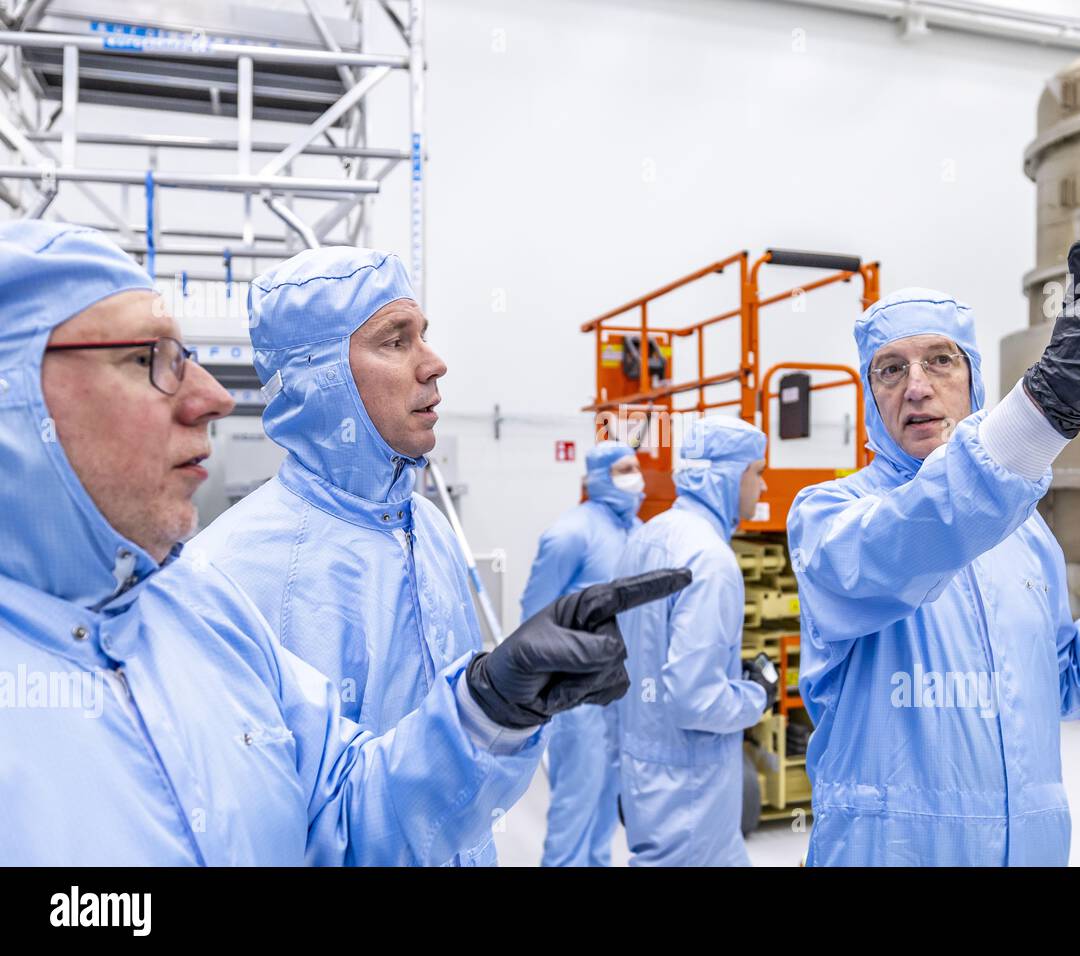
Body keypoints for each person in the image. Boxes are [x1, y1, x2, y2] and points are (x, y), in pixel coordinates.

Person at [0, 221, 688, 865]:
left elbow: (345, 811)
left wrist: (490, 706)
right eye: (149, 359)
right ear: (322, 375)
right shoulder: (236, 570)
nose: (210, 396)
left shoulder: (200, 609)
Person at [788, 232, 1080, 866]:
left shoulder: (1026, 536)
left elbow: (1064, 685)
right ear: (870, 396)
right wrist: (1044, 406)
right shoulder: (829, 517)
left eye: (940, 361)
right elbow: (906, 542)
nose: (916, 386)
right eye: (891, 369)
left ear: (972, 380)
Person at [192, 247, 502, 864]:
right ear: (321, 374)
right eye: (395, 340)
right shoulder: (223, 578)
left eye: (423, 336)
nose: (434, 363)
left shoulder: (430, 529)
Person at [613, 416, 781, 866]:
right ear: (728, 475)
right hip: (693, 788)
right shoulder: (710, 560)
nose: (762, 488)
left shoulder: (646, 536)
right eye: (757, 472)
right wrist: (755, 696)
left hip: (645, 772)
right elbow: (695, 700)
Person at [520, 440, 644, 866]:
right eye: (624, 469)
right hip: (578, 698)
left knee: (606, 803)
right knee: (575, 803)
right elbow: (533, 619)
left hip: (622, 691)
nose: (636, 477)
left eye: (636, 467)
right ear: (597, 476)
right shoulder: (570, 533)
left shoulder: (639, 531)